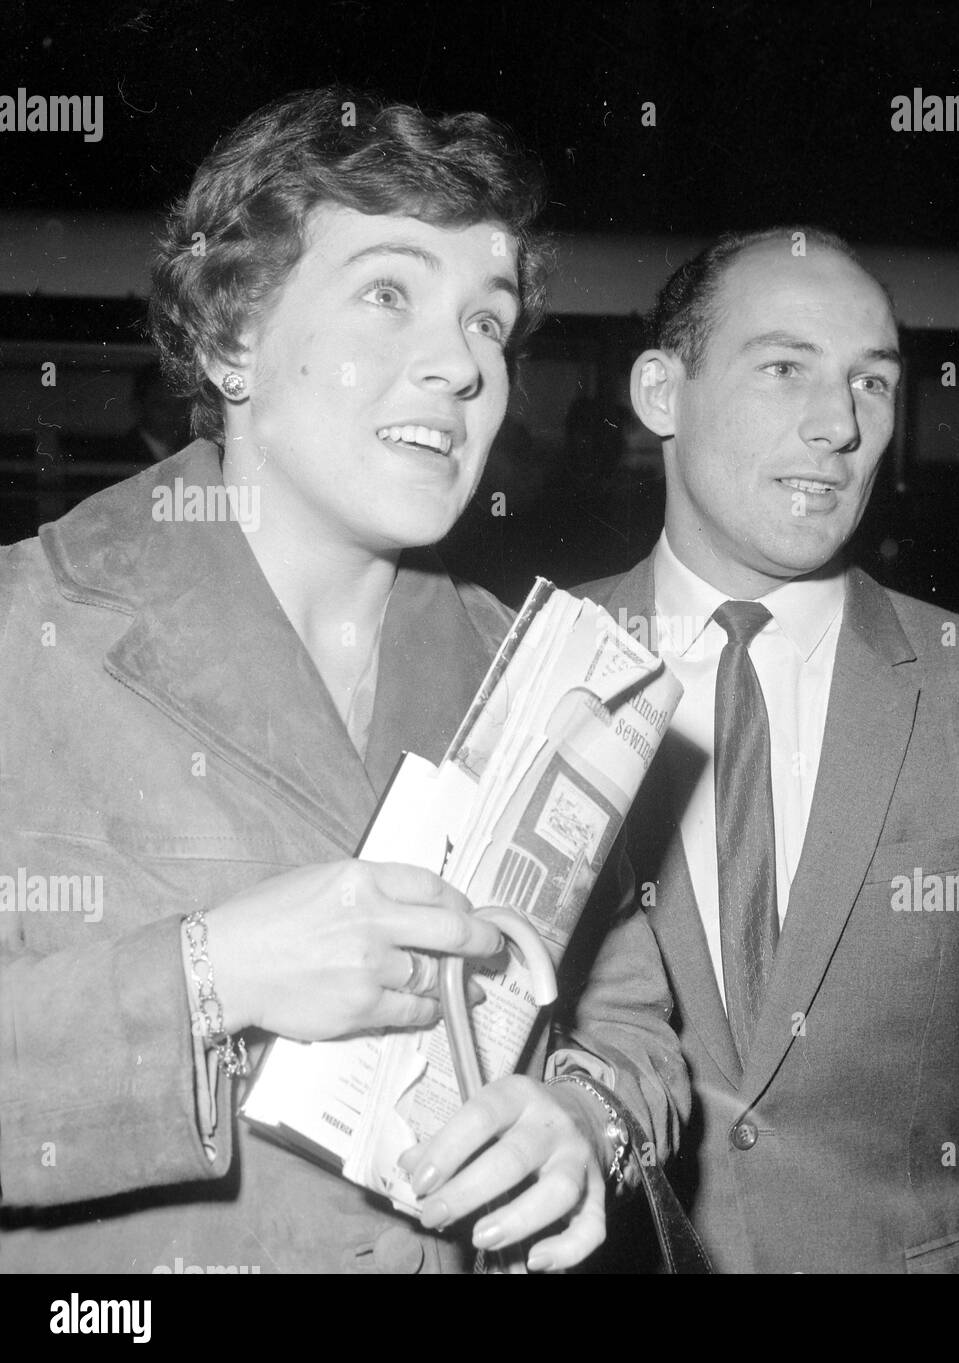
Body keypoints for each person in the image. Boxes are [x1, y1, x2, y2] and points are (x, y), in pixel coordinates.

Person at [0, 87, 686, 1275]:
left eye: (488, 322)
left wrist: (583, 1115)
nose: (462, 365)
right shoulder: (28, 630)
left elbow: (629, 1022)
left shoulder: (532, 680)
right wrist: (212, 978)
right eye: (389, 293)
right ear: (229, 338)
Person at [580, 227, 959, 1273]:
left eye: (873, 383)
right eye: (784, 369)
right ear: (658, 392)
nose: (839, 426)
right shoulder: (519, 666)